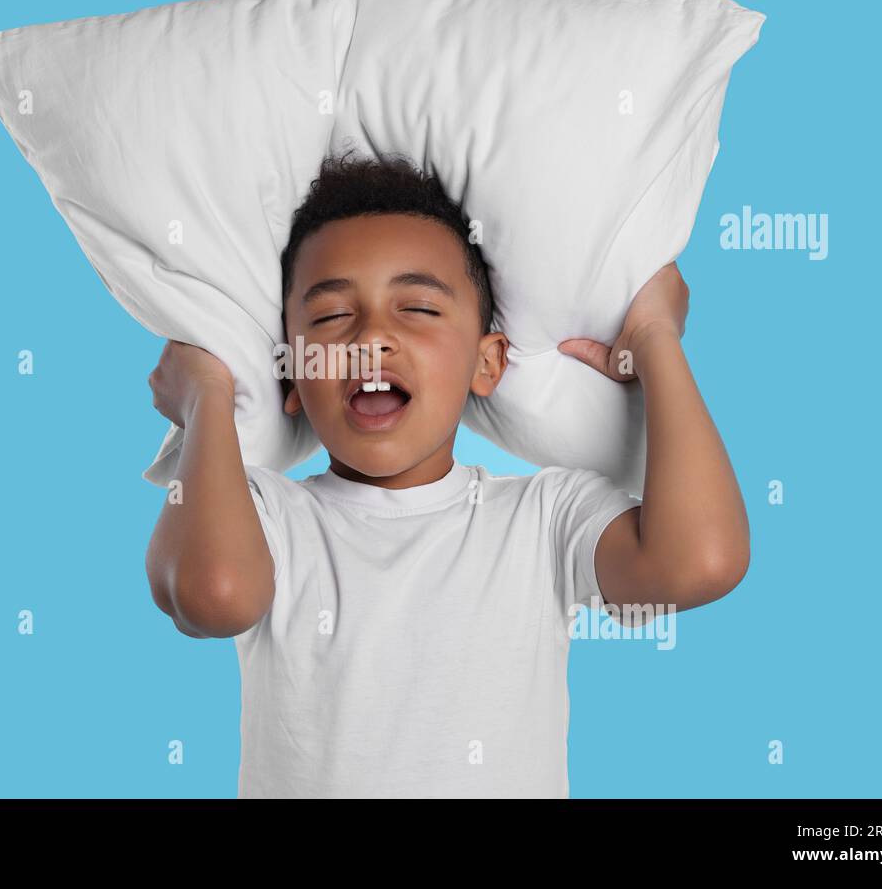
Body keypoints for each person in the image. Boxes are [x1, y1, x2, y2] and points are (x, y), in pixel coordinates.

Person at [145, 148, 750, 798]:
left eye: (419, 309)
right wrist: (207, 394)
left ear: (487, 364)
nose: (372, 338)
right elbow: (212, 593)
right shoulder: (264, 515)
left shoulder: (543, 520)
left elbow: (701, 559)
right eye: (330, 317)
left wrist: (656, 337)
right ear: (290, 376)